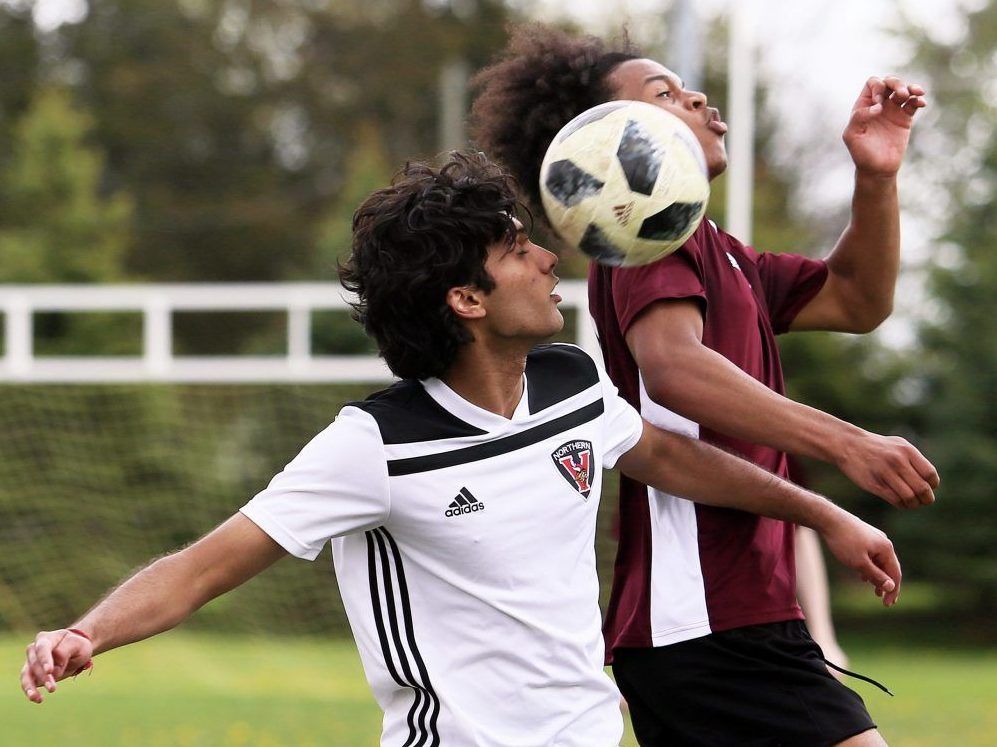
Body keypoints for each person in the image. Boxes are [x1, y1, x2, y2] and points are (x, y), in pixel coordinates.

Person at [21, 152, 903, 747]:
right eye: (517, 251)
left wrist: (820, 512)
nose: (548, 259)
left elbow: (673, 460)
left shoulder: (572, 381)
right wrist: (85, 630)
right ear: (466, 300)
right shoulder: (373, 443)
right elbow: (204, 567)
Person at [471, 25, 939, 746]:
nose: (695, 97)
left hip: (719, 620)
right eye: (662, 95)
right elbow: (674, 369)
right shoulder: (644, 237)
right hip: (705, 620)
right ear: (608, 142)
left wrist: (875, 179)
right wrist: (848, 443)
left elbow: (856, 299)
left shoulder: (719, 251)